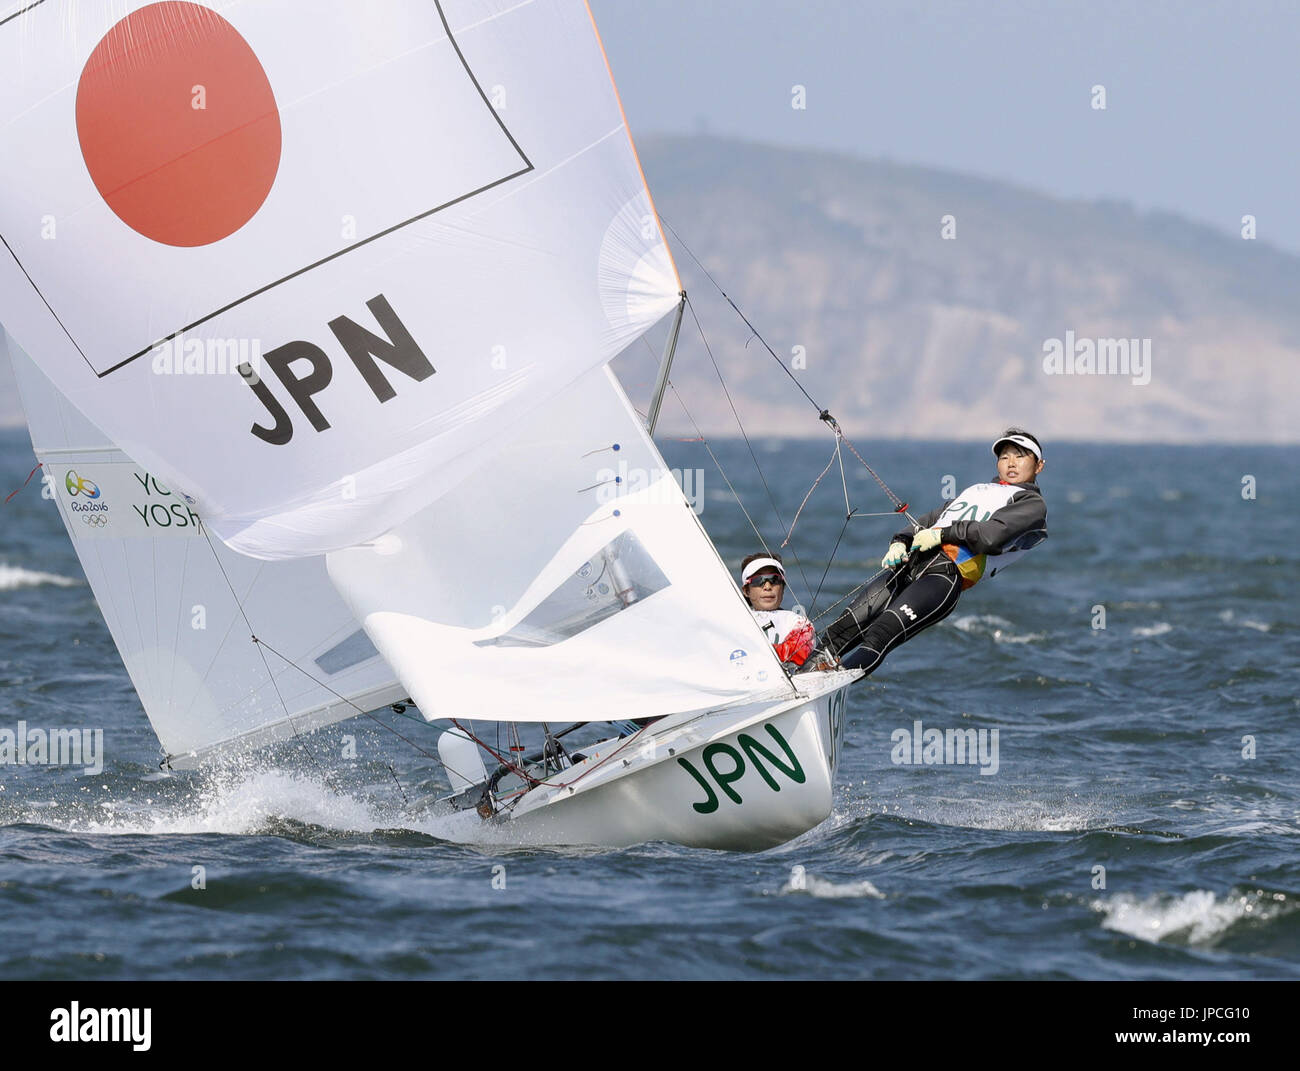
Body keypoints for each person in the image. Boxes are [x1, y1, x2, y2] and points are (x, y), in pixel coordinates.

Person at [810, 427, 1048, 678]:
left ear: (1039, 465)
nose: (1011, 463)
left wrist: (941, 535)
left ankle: (826, 684)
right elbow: (932, 518)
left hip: (944, 577)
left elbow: (992, 535)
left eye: (1020, 456)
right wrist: (901, 540)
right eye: (1004, 456)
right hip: (911, 564)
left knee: (879, 634)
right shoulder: (978, 490)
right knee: (841, 630)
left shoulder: (1032, 504)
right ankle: (796, 676)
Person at [739, 552, 816, 669]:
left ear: (783, 587)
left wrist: (754, 652)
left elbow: (799, 653)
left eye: (774, 580)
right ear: (746, 591)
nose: (767, 587)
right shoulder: (734, 619)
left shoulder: (798, 622)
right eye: (758, 580)